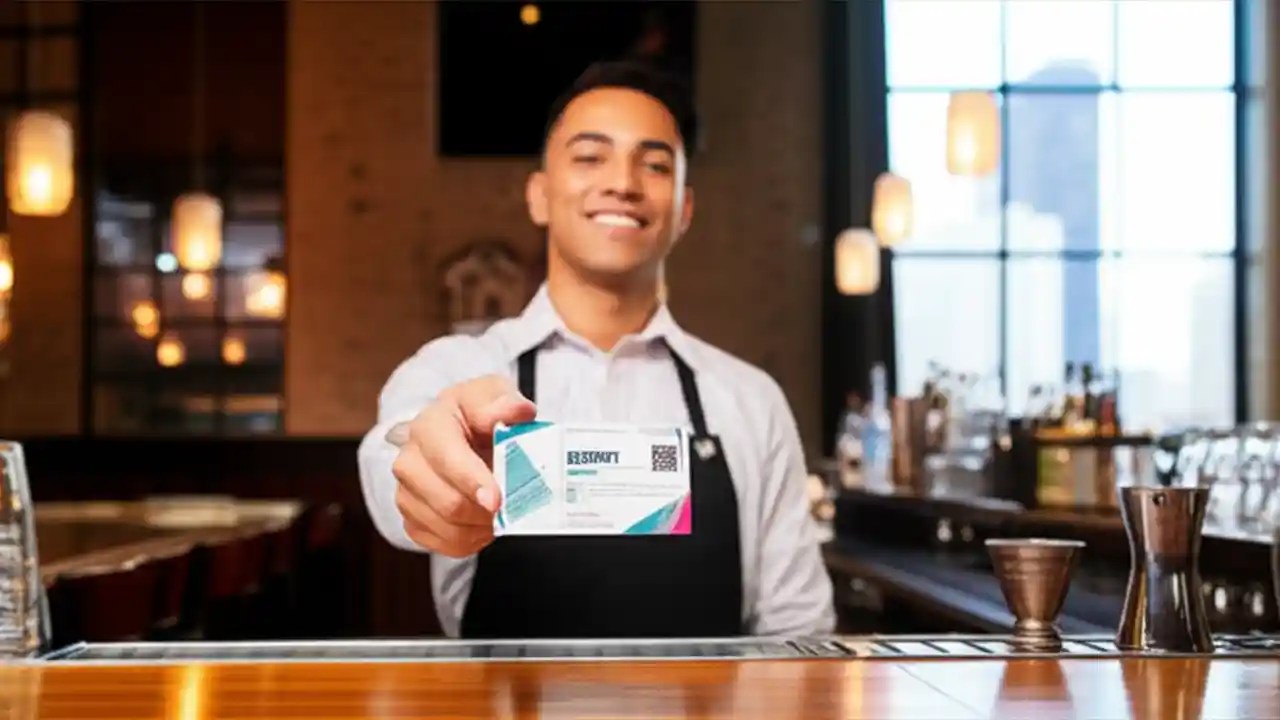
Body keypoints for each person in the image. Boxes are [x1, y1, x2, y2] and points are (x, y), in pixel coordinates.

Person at [357, 60, 835, 639]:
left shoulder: (749, 400)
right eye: (590, 157)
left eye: (655, 164)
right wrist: (433, 482)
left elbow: (798, 630)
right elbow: (392, 470)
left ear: (684, 209)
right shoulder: (457, 369)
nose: (623, 183)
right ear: (539, 195)